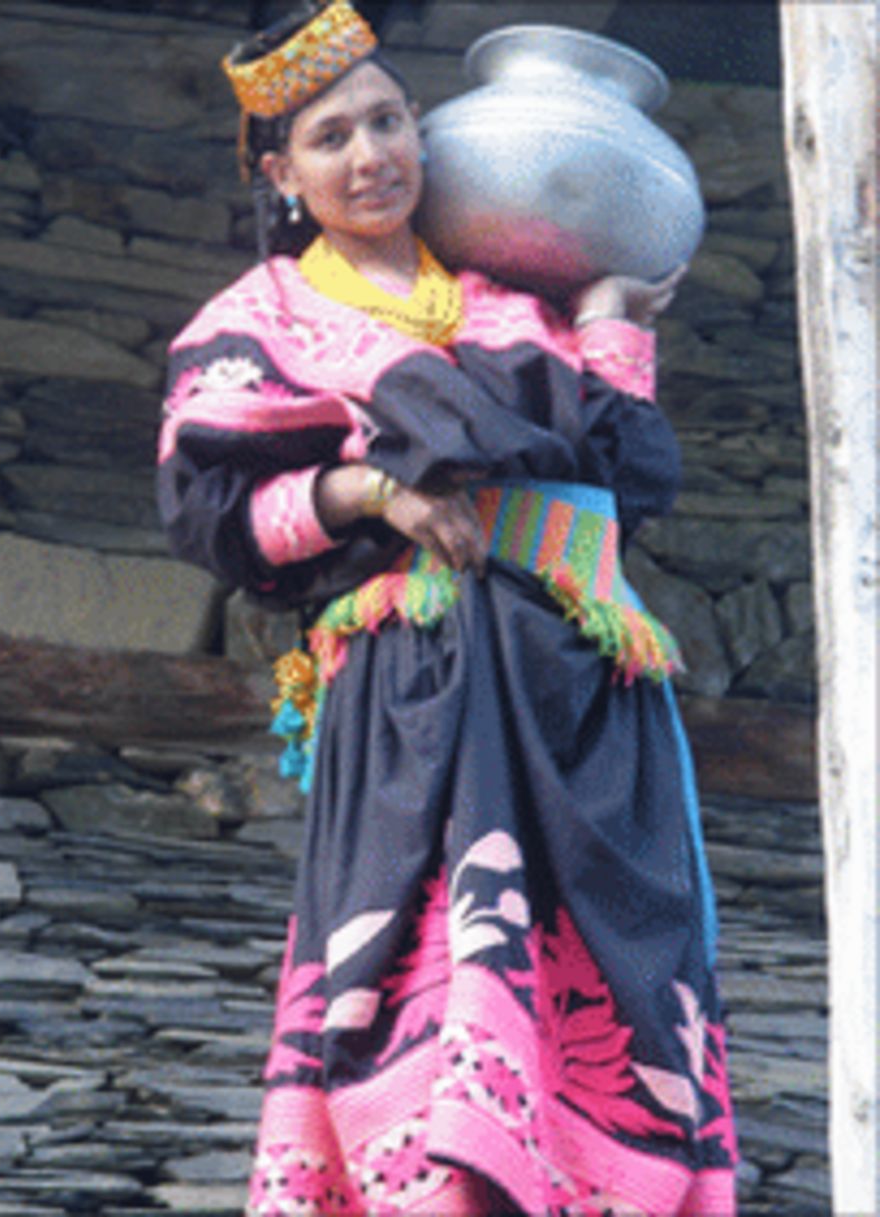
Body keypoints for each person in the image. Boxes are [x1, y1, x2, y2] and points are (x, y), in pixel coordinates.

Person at [157, 2, 738, 1212]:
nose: (369, 156)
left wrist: (610, 320)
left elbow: (629, 480)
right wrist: (372, 487)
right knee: (423, 976)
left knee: (614, 982)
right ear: (282, 170)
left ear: (421, 129)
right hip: (419, 695)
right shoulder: (258, 325)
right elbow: (219, 520)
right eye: (330, 138)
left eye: (386, 121)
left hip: (576, 690)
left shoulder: (513, 300)